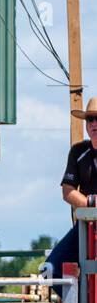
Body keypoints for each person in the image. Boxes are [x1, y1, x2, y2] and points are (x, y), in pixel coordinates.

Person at [44, 98, 97, 276]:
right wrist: (91, 203)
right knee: (50, 269)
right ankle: (80, 301)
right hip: (86, 225)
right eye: (90, 119)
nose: (94, 124)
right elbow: (68, 190)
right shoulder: (78, 151)